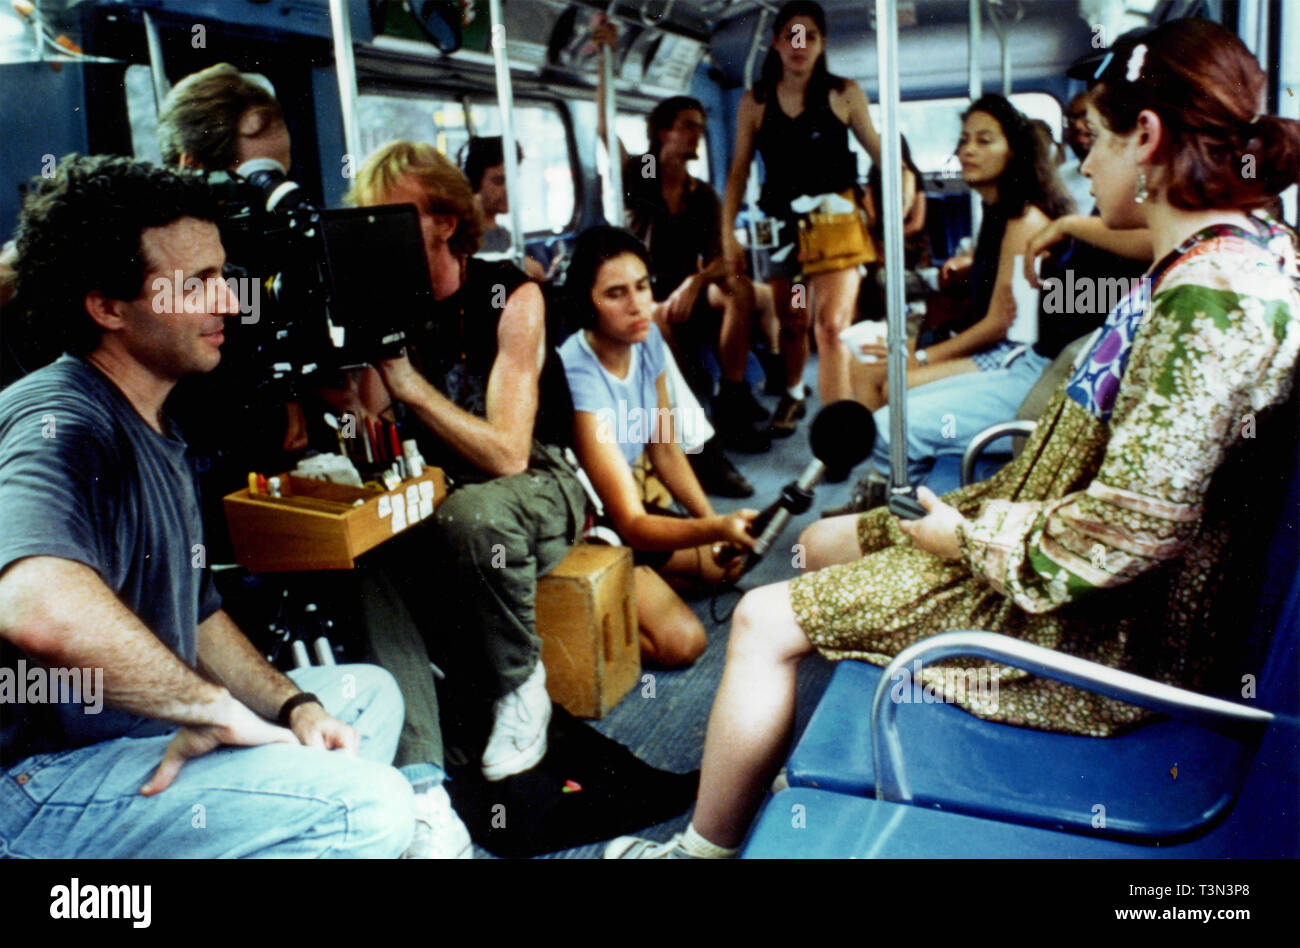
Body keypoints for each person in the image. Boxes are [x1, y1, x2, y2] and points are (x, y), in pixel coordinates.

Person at [605, 16, 1300, 858]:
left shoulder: (1211, 298)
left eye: (1100, 141)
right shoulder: (1237, 253)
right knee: (822, 542)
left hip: (1093, 630)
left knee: (756, 619)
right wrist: (962, 522)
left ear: (1146, 139)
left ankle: (700, 849)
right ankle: (775, 767)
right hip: (1034, 541)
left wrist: (961, 538)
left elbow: (1132, 530)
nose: (1084, 163)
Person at [0, 155, 416, 858]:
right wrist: (212, 710)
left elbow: (199, 619)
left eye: (222, 276)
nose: (229, 301)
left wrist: (291, 707)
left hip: (131, 741)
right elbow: (34, 601)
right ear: (107, 306)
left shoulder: (157, 420)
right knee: (370, 810)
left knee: (362, 696)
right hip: (37, 785)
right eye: (198, 284)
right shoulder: (60, 417)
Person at [156, 63, 471, 857]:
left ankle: (417, 785)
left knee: (369, 562)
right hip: (205, 476)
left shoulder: (275, 249)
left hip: (270, 456)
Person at [347, 141, 590, 782]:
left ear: (445, 221)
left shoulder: (510, 296)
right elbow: (371, 425)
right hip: (437, 485)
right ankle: (421, 771)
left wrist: (411, 386)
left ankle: (519, 682)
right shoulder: (390, 298)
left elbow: (508, 453)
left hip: (536, 481)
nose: (377, 236)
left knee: (472, 516)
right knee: (365, 555)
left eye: (391, 219)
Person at [559, 227, 758, 666]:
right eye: (615, 294)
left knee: (730, 566)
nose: (637, 305)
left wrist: (715, 522)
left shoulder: (645, 338)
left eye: (642, 287)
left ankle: (636, 590)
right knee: (683, 643)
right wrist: (717, 529)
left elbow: (665, 448)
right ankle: (571, 621)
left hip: (627, 514)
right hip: (592, 528)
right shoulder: (577, 374)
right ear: (587, 303)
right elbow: (630, 522)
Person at [592, 17, 771, 467]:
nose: (697, 134)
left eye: (699, 126)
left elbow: (720, 262)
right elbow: (603, 132)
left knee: (739, 290)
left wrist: (694, 282)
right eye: (688, 126)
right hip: (643, 289)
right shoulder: (643, 175)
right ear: (663, 133)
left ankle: (731, 395)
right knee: (659, 322)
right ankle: (699, 431)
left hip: (682, 285)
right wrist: (603, 63)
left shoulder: (701, 194)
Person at [851, 94, 1074, 414]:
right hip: (979, 334)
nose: (968, 150)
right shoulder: (997, 212)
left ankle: (891, 460)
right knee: (863, 365)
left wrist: (923, 357)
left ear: (1014, 152)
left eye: (985, 141)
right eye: (964, 140)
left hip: (1010, 352)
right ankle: (878, 462)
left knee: (893, 387)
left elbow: (1000, 323)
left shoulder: (1024, 220)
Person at [722, 0, 882, 425]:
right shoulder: (755, 103)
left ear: (821, 44)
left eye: (808, 35)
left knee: (829, 327)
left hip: (835, 229)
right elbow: (738, 174)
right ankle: (794, 391)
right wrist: (727, 233)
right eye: (790, 35)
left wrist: (899, 189)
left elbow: (881, 154)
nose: (799, 44)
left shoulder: (843, 94)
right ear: (775, 43)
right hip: (785, 234)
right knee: (794, 318)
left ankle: (838, 428)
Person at [460, 135, 547, 280]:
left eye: (512, 180)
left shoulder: (506, 236)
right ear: (475, 183)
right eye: (499, 181)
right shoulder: (466, 237)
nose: (509, 189)